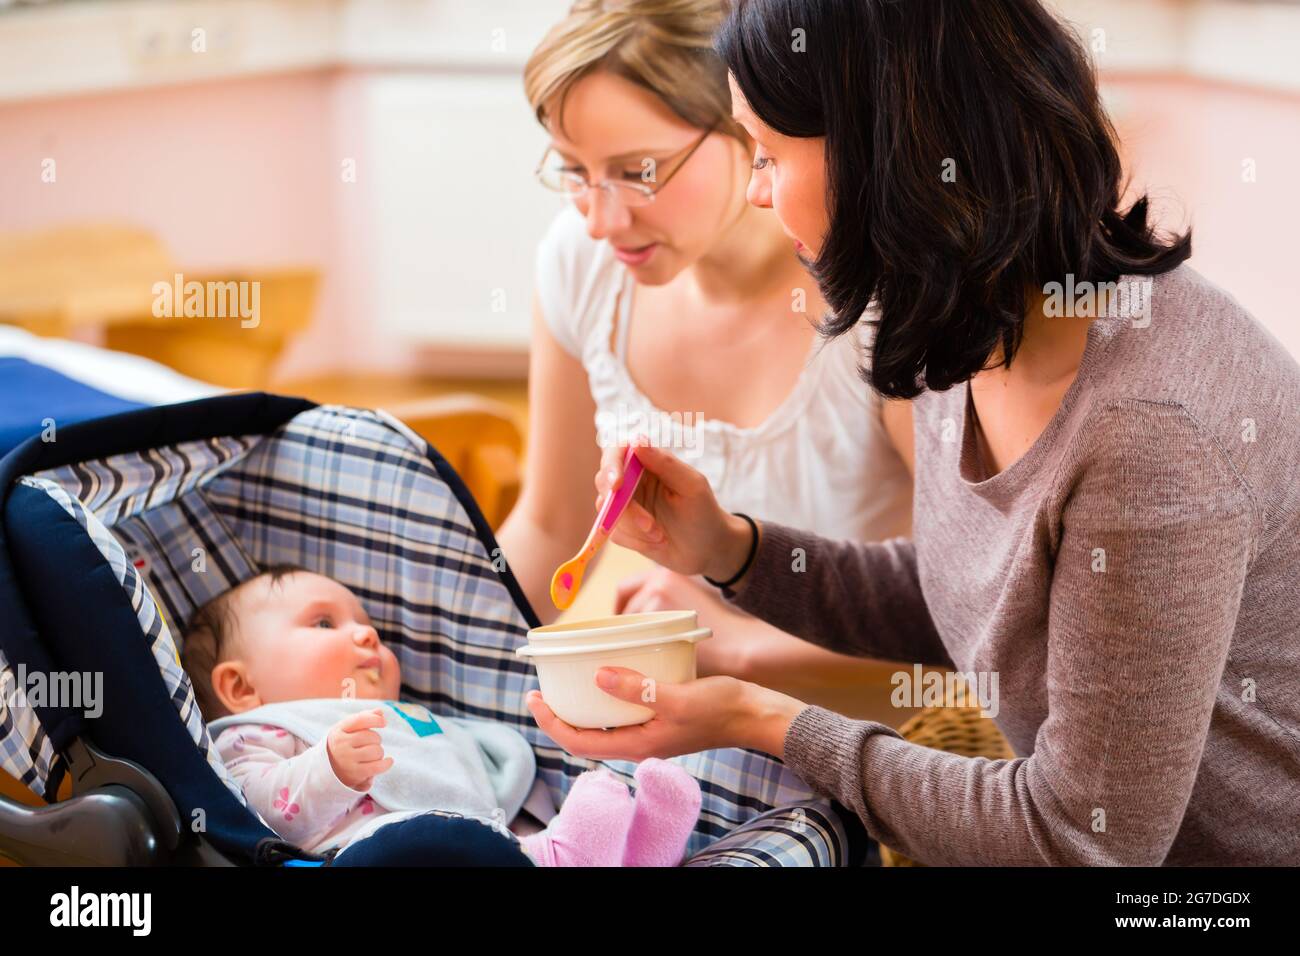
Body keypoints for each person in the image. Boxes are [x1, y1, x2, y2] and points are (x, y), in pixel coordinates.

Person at [525, 0, 1300, 865]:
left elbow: (1079, 839)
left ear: (878, 157)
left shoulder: (1148, 435)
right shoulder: (965, 321)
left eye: (770, 154)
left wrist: (759, 717)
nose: (755, 188)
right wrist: (731, 548)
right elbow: (969, 586)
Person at [495, 0, 914, 704]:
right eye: (573, 171)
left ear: (747, 126)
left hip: (864, 750)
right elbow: (548, 523)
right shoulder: (582, 264)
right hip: (681, 735)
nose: (600, 220)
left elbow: (969, 615)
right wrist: (444, 658)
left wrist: (734, 650)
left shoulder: (884, 304)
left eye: (640, 171)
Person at [184, 565, 702, 866]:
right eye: (324, 623)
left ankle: (635, 851)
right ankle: (557, 856)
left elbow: (485, 795)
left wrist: (522, 823)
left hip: (478, 848)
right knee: (428, 841)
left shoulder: (415, 722)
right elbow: (258, 817)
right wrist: (329, 770)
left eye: (369, 627)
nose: (366, 635)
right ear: (240, 686)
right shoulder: (254, 733)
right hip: (370, 860)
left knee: (495, 834)